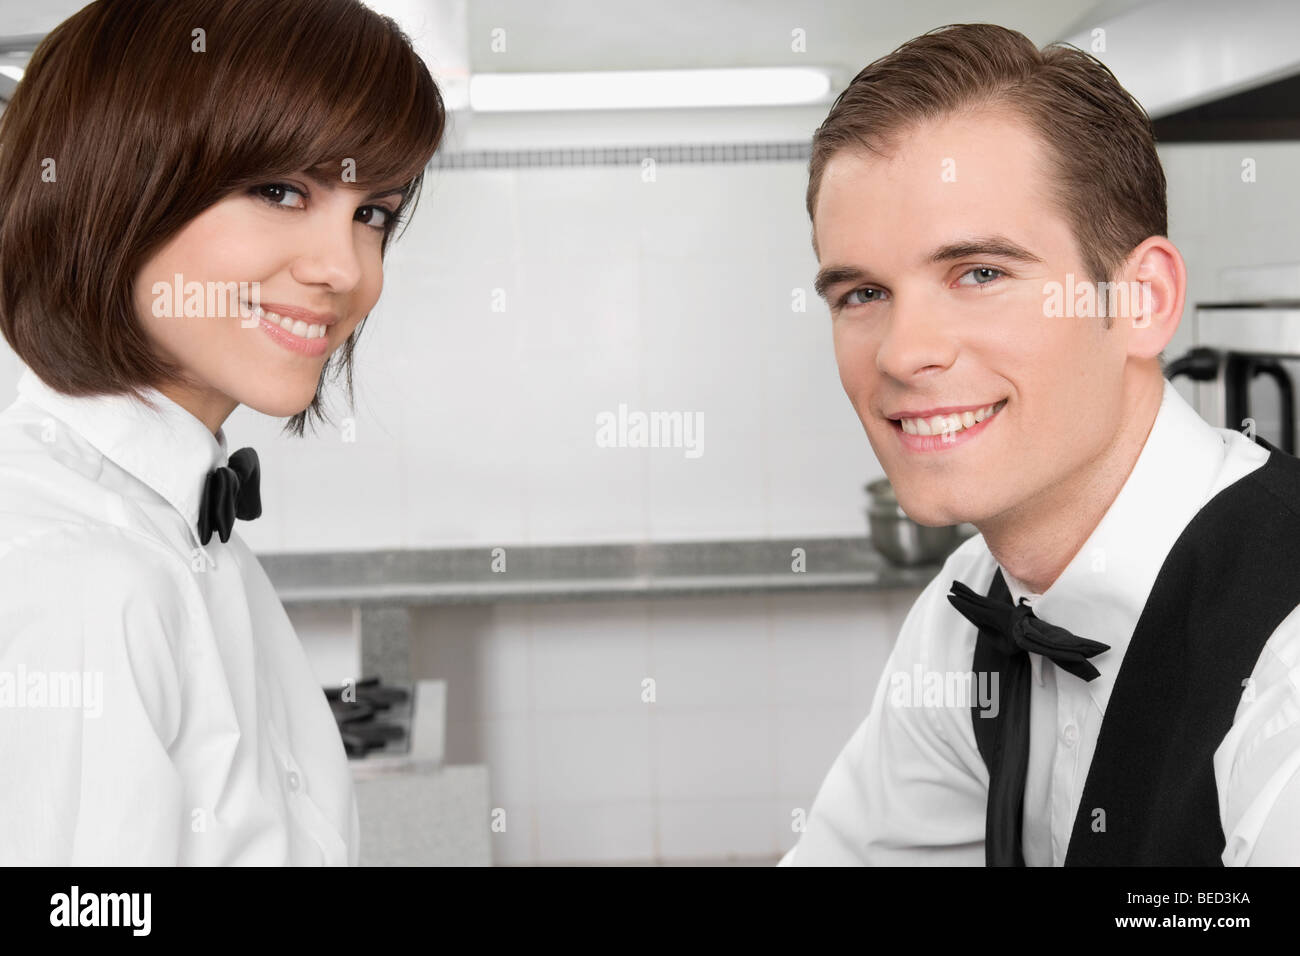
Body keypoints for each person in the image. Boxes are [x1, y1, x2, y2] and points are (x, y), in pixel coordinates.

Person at [783, 23, 1300, 866]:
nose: (903, 352)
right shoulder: (970, 608)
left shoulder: (1287, 651)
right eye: (863, 292)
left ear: (1142, 300)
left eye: (980, 274)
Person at [0, 0, 444, 864]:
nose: (344, 269)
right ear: (112, 184)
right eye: (279, 191)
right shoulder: (74, 577)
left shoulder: (186, 535)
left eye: (373, 213)